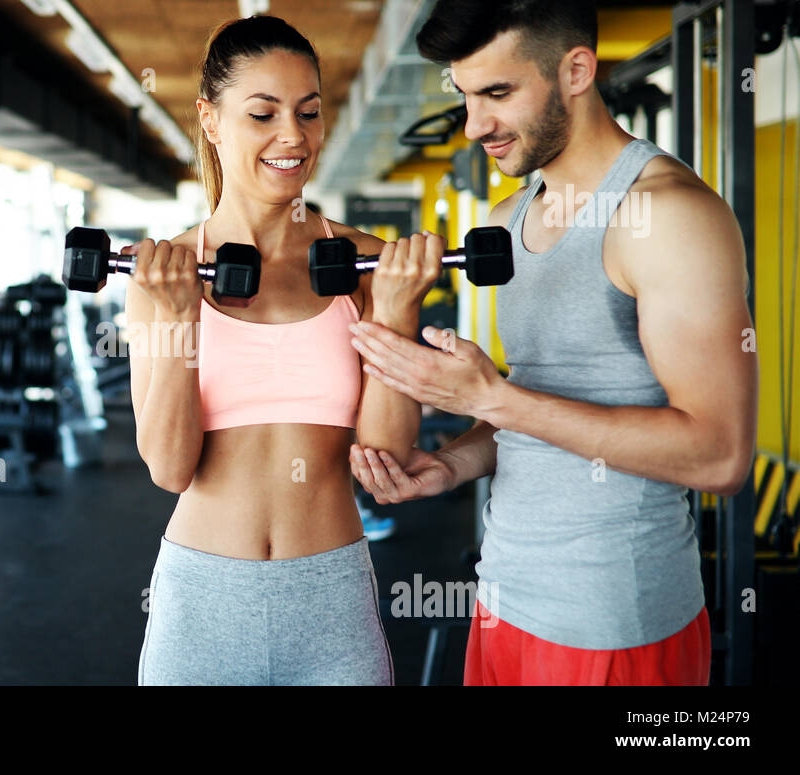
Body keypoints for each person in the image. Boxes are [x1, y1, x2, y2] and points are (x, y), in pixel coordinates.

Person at [348, 0, 757, 685]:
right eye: (467, 96)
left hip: (611, 623)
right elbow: (535, 401)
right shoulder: (509, 218)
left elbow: (720, 455)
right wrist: (452, 464)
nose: (476, 125)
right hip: (505, 598)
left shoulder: (668, 217)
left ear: (576, 70)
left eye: (499, 94)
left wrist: (495, 399)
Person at [132, 15, 444, 685]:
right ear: (211, 120)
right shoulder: (164, 272)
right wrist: (181, 320)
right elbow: (168, 465)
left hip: (330, 594)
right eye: (263, 113)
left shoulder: (365, 266)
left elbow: (383, 460)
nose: (292, 136)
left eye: (308, 112)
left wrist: (394, 309)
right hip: (201, 600)